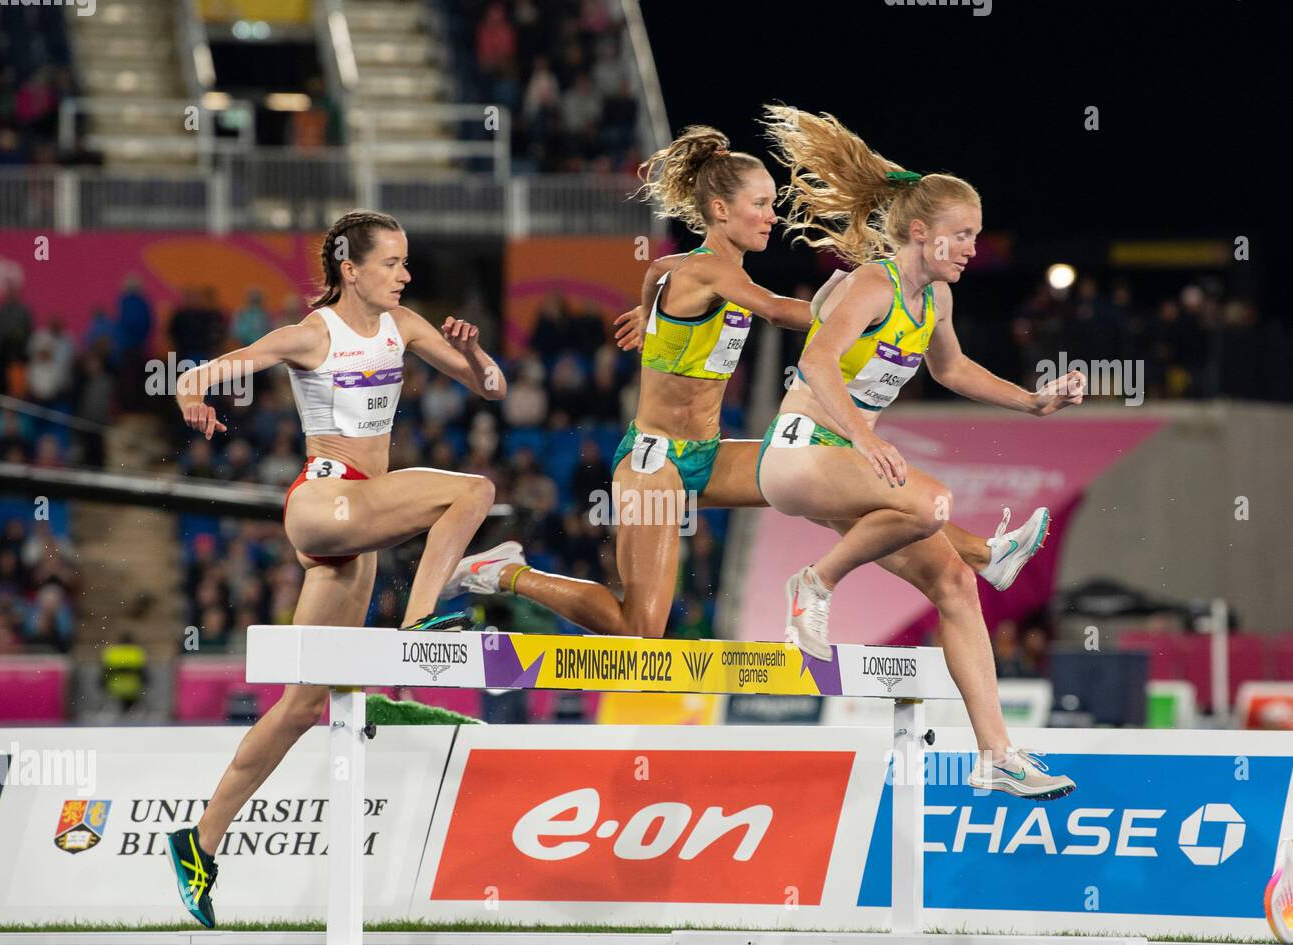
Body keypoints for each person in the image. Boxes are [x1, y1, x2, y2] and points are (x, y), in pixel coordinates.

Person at [444, 126, 1047, 637]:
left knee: (830, 489)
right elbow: (788, 312)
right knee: (641, 629)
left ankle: (984, 556)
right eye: (760, 204)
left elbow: (658, 268)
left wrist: (648, 307)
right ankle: (502, 572)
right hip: (656, 464)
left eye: (772, 202)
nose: (772, 215)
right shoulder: (712, 270)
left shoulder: (687, 271)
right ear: (718, 212)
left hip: (710, 454)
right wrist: (853, 296)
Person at [165, 209, 505, 927]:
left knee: (302, 703)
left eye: (407, 264)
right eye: (392, 264)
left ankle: (198, 842)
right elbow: (206, 374)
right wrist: (193, 394)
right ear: (351, 269)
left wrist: (474, 356)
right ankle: (418, 627)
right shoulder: (312, 334)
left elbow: (493, 389)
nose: (405, 275)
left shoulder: (406, 325)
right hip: (322, 503)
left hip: (358, 530)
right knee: (473, 491)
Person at [755, 107, 1084, 800]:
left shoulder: (932, 297)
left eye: (975, 236)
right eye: (961, 236)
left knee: (954, 589)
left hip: (840, 463)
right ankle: (812, 587)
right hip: (798, 452)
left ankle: (996, 754)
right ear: (919, 233)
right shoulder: (871, 284)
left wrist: (1034, 400)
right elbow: (816, 362)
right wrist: (865, 435)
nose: (972, 248)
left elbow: (953, 370)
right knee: (931, 500)